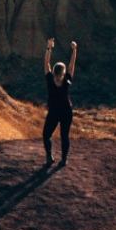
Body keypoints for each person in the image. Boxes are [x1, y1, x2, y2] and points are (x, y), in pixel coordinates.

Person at [42, 36, 77, 167]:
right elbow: (71, 65)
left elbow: (46, 64)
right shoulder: (66, 79)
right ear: (62, 72)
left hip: (57, 112)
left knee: (49, 135)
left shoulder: (50, 80)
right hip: (65, 111)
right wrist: (74, 50)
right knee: (61, 136)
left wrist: (49, 48)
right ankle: (60, 159)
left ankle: (53, 157)